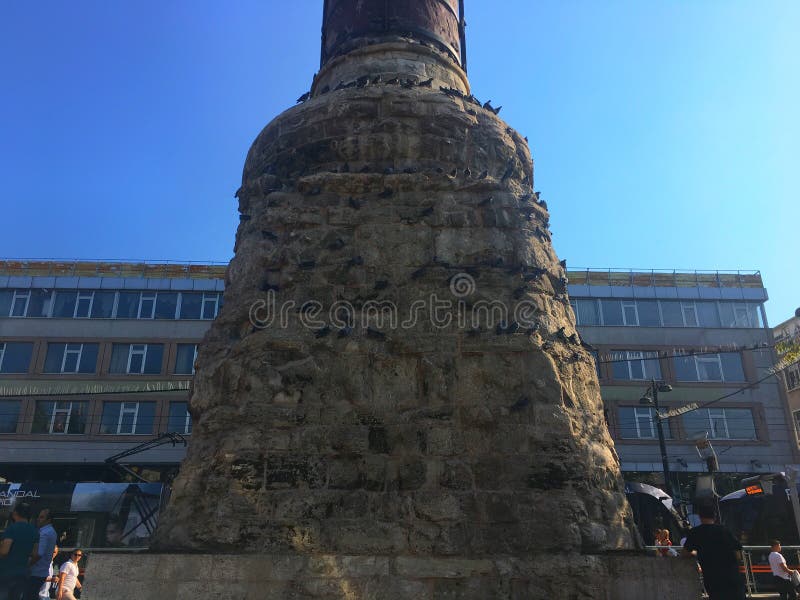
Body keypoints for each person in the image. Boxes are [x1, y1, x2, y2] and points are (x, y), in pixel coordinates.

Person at [682, 503, 746, 600]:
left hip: (713, 579)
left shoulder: (695, 533)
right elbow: (738, 553)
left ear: (700, 517)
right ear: (714, 516)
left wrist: (696, 553)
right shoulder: (724, 530)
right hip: (732, 576)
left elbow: (685, 553)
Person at [0, 503, 40, 600]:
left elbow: (4, 551)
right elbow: (36, 555)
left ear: (15, 513)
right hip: (23, 574)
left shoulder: (11, 528)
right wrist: (27, 565)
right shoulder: (34, 531)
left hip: (5, 572)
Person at [27, 509, 57, 600]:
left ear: (49, 520)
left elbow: (39, 553)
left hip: (36, 571)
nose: (38, 519)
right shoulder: (50, 531)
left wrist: (27, 565)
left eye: (42, 517)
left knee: (29, 596)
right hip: (41, 572)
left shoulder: (45, 533)